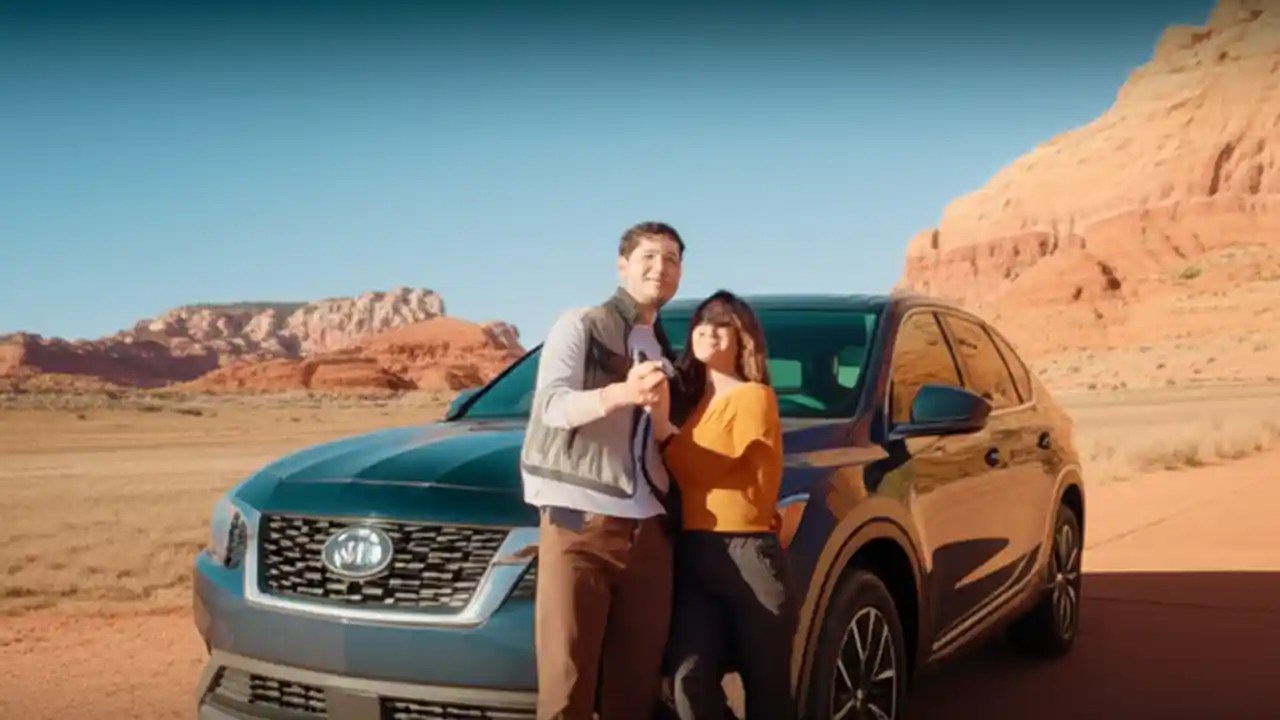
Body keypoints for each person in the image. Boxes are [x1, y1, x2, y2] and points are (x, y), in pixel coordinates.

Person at [519, 221, 687, 720]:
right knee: (566, 688)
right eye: (650, 257)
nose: (662, 268)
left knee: (634, 694)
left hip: (650, 535)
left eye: (673, 259)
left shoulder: (667, 351)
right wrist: (622, 394)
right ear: (623, 265)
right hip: (580, 527)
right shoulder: (581, 324)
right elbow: (551, 405)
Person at [647, 290, 799, 720]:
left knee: (768, 693)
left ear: (742, 338)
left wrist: (661, 428)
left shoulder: (754, 397)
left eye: (721, 325)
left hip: (748, 554)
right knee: (686, 680)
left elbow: (705, 465)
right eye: (701, 324)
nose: (708, 332)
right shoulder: (696, 407)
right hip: (695, 554)